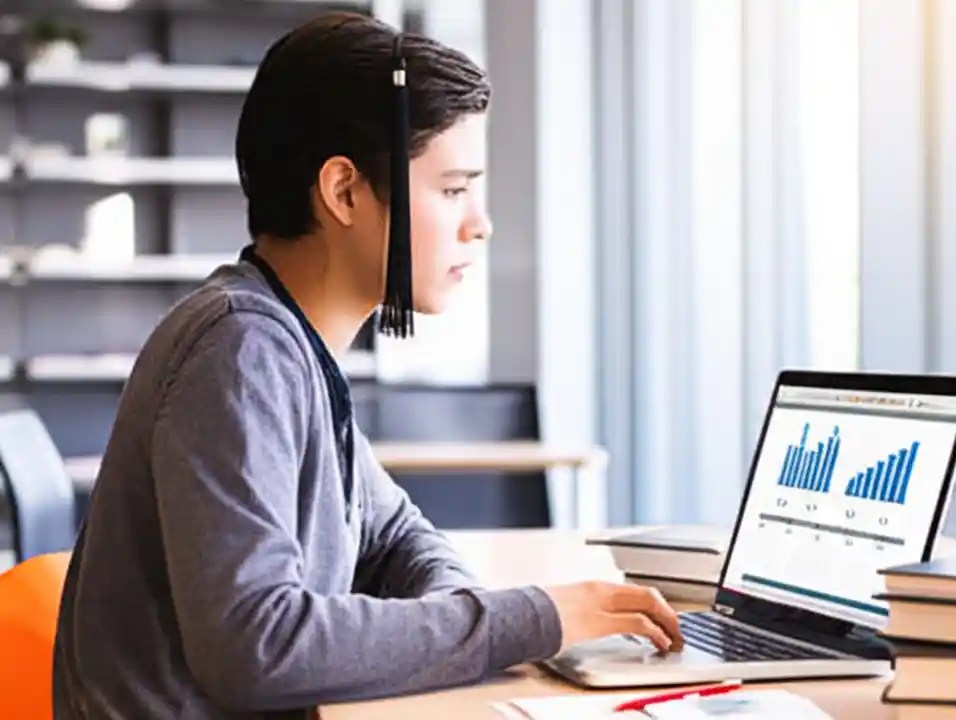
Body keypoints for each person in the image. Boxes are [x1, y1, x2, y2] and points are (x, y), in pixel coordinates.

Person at [53, 12, 681, 719]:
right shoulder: (241, 351)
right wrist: (532, 619)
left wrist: (475, 620)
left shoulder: (292, 342)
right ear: (344, 192)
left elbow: (394, 536)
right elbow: (257, 646)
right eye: (452, 189)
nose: (480, 223)